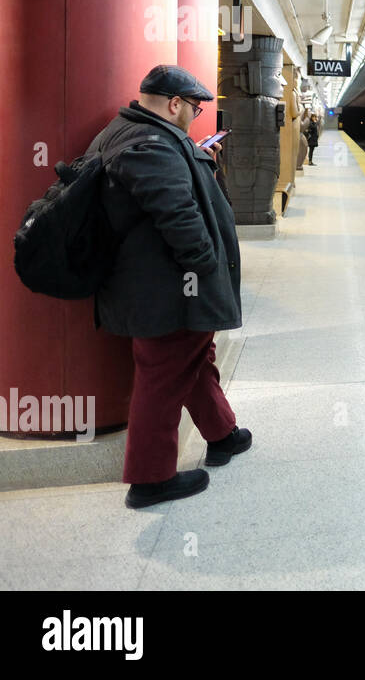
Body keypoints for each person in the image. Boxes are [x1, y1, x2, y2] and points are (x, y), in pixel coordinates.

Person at [88, 65, 252, 508]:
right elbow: (177, 215)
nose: (195, 116)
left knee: (195, 358)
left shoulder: (130, 135)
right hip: (172, 286)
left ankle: (222, 435)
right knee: (164, 374)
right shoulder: (149, 145)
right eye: (194, 109)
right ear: (174, 104)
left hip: (160, 283)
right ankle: (149, 479)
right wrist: (207, 266)